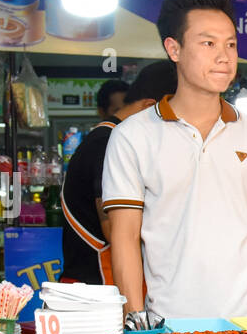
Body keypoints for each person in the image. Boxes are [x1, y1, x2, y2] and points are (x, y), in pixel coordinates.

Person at [102, 0, 247, 324]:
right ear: (174, 48)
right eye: (208, 44)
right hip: (175, 322)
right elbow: (124, 236)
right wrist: (135, 318)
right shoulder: (132, 137)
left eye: (231, 44)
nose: (224, 56)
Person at [60, 61, 176, 285]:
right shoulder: (108, 143)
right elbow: (116, 230)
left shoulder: (114, 139)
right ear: (149, 106)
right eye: (175, 117)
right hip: (97, 291)